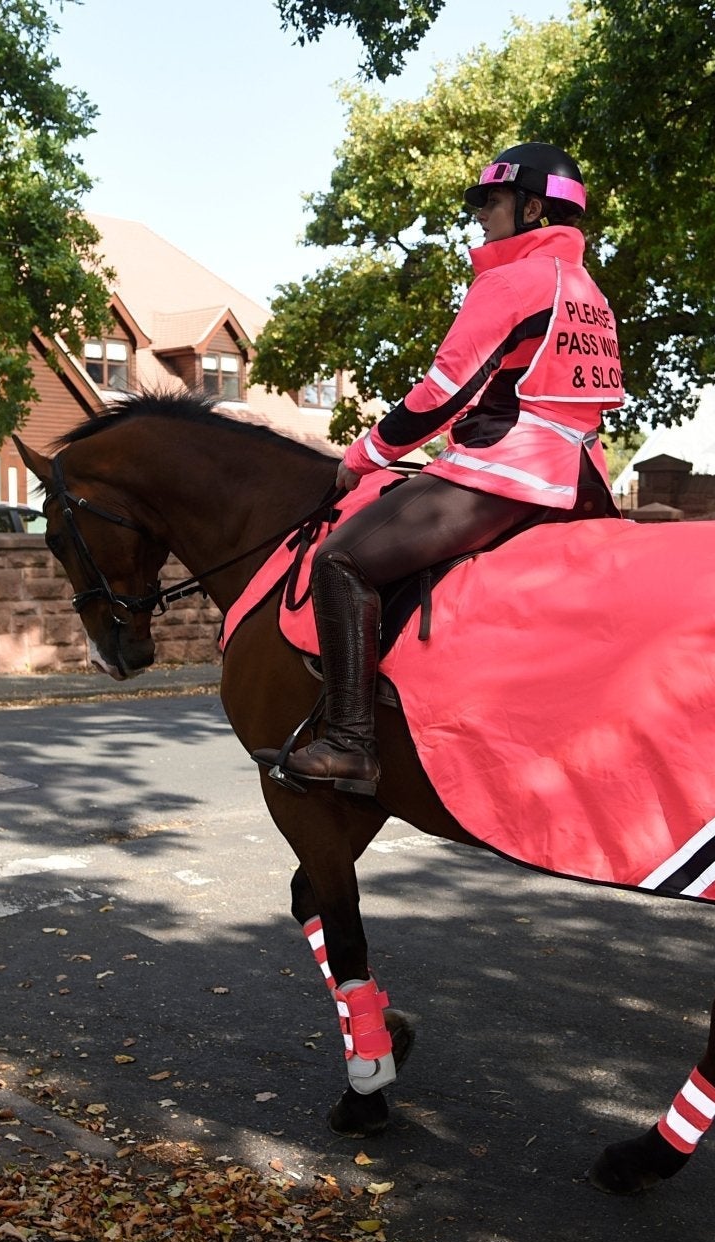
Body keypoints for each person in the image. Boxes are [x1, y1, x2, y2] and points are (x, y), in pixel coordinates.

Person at [251, 142, 627, 796]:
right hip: (585, 479)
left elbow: (442, 395)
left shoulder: (510, 282)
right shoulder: (589, 293)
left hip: (509, 471)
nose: (480, 215)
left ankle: (350, 743)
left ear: (532, 208)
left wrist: (364, 456)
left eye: (493, 201)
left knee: (340, 560)